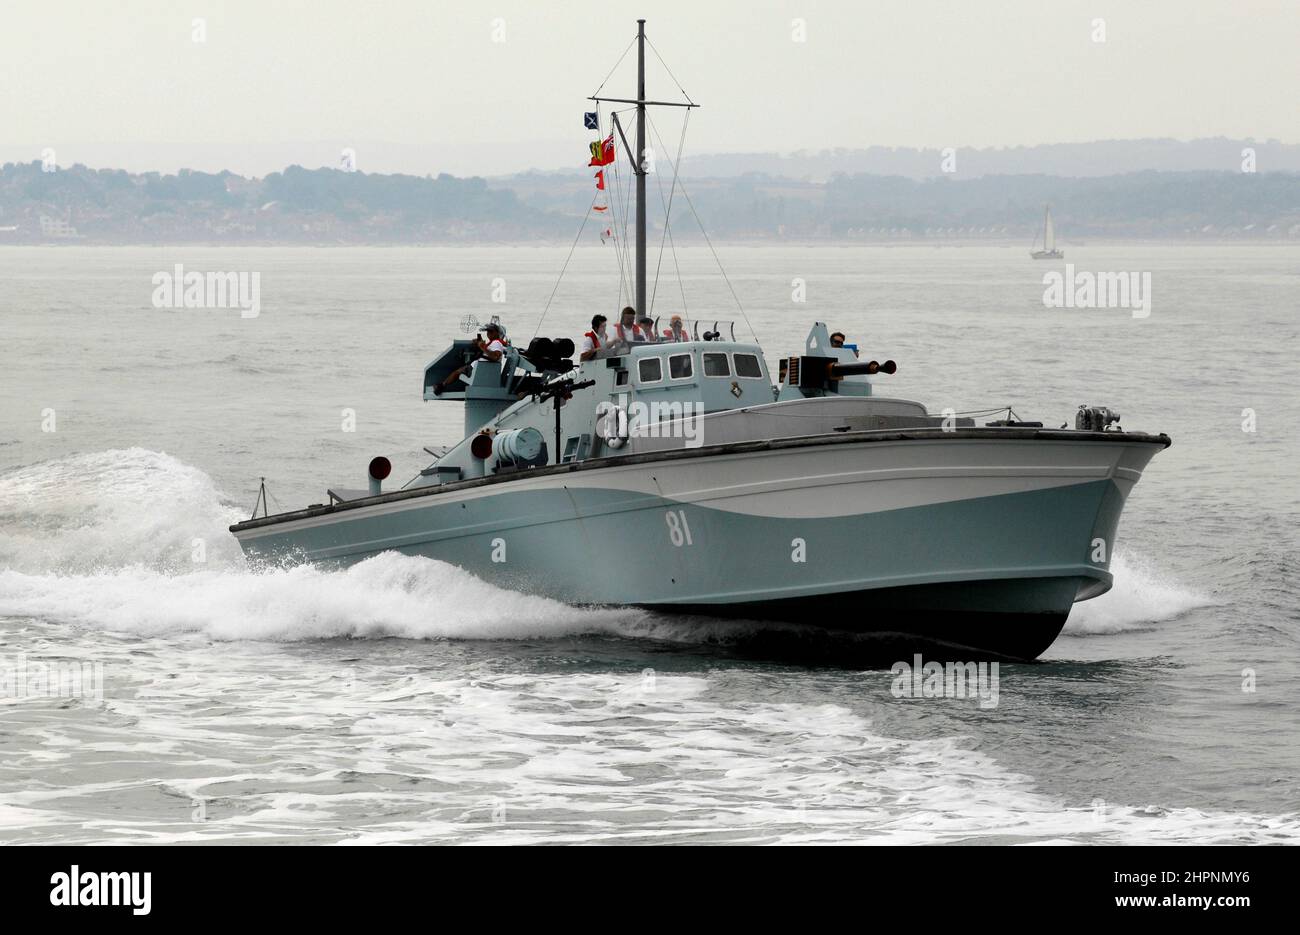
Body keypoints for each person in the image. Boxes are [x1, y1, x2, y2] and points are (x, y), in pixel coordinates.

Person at [434, 321, 508, 394]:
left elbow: (495, 356)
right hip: (481, 369)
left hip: (478, 370)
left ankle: (441, 386)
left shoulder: (497, 343)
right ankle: (442, 385)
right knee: (461, 369)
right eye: (488, 331)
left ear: (498, 333)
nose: (488, 333)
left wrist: (482, 346)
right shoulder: (495, 343)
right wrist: (480, 344)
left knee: (457, 372)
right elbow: (490, 352)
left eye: (491, 332)